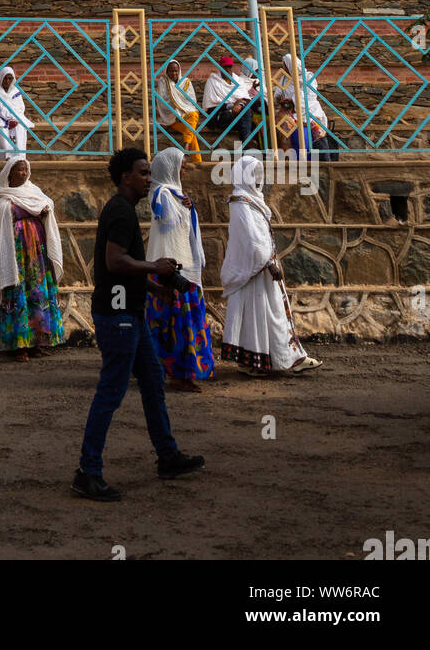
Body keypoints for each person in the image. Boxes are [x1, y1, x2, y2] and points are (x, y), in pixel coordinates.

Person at [73, 147, 206, 501]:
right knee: (111, 392)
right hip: (118, 317)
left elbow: (120, 267)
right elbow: (115, 262)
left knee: (151, 383)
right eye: (143, 174)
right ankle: (88, 471)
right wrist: (156, 268)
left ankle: (167, 456)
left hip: (130, 310)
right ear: (124, 177)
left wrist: (151, 288)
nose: (149, 179)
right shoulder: (120, 212)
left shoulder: (124, 210)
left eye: (150, 173)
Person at [220, 156, 322, 375]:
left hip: (262, 265)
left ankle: (289, 358)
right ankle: (262, 362)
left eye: (259, 173)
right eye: (253, 174)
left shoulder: (253, 200)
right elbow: (250, 238)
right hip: (256, 268)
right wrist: (267, 262)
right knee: (261, 314)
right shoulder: (240, 202)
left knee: (271, 313)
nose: (258, 178)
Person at [0, 155, 64, 359]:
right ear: (10, 173)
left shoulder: (34, 192)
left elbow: (46, 207)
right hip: (14, 252)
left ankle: (36, 341)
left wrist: (45, 210)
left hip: (36, 252)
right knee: (16, 293)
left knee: (37, 293)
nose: (23, 173)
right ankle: (18, 344)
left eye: (25, 169)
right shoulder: (0, 198)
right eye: (19, 169)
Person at [145, 147, 214, 392]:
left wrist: (190, 206)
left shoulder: (176, 195)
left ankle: (182, 371)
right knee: (172, 323)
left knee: (184, 322)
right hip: (168, 270)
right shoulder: (162, 193)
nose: (185, 169)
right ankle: (176, 373)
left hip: (185, 268)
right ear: (170, 168)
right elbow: (165, 217)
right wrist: (181, 203)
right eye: (181, 165)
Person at [154, 59, 202, 163]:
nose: (174, 73)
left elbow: (192, 102)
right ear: (167, 71)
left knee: (193, 114)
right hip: (172, 118)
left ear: (179, 71)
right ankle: (197, 161)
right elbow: (163, 102)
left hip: (186, 116)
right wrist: (176, 111)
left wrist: (182, 110)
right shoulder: (164, 81)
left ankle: (186, 145)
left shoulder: (185, 82)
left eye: (176, 71)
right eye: (171, 71)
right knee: (191, 132)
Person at [202, 55, 254, 145]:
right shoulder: (213, 80)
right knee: (246, 119)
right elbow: (211, 104)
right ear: (220, 68)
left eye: (229, 67)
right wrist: (231, 106)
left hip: (237, 114)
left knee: (246, 113)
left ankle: (246, 145)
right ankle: (247, 145)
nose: (227, 70)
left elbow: (246, 99)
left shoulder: (238, 80)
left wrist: (239, 106)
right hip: (220, 115)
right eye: (225, 67)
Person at [0, 65, 33, 159]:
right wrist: (5, 119)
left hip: (15, 118)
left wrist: (12, 119)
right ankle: (6, 158)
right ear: (1, 78)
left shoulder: (16, 91)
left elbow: (20, 108)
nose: (7, 81)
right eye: (5, 78)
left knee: (20, 129)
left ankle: (19, 158)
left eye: (10, 78)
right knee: (2, 129)